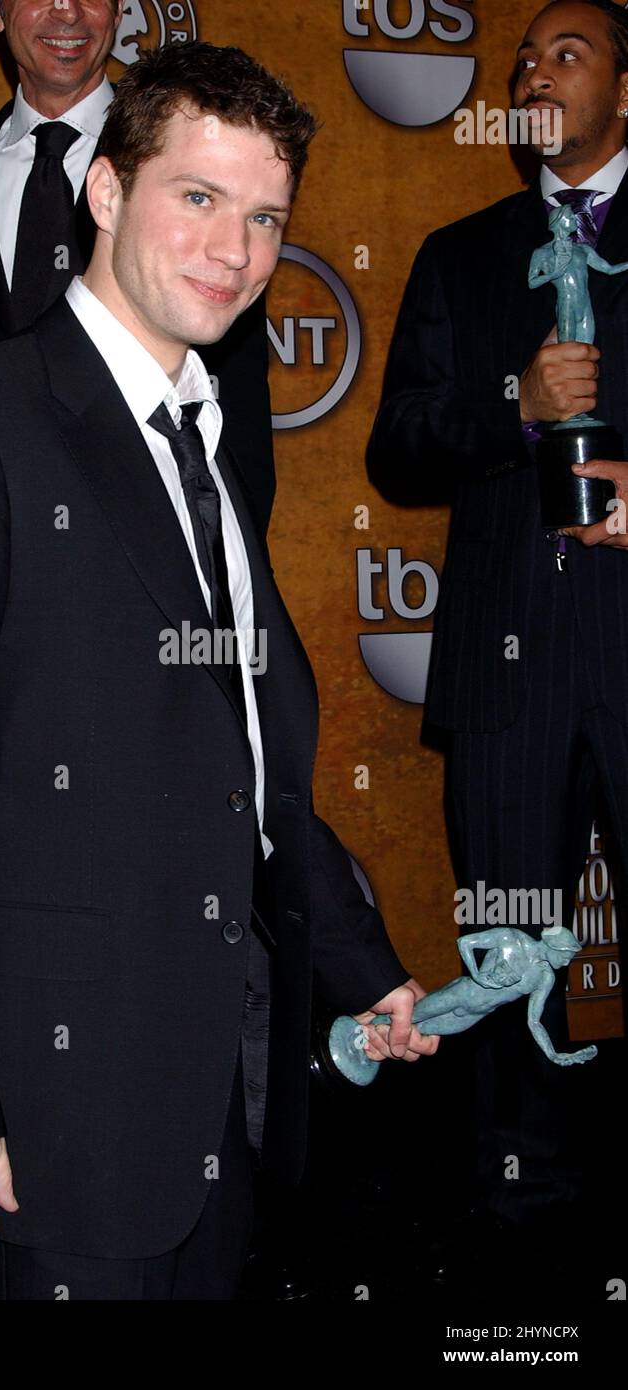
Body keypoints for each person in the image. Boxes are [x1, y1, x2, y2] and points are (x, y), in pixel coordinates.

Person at [0, 43, 437, 1302]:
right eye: (198, 198)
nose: (236, 249)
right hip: (44, 1120)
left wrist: (360, 963)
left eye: (265, 216)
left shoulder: (207, 445)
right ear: (104, 194)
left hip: (220, 1107)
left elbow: (243, 768)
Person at [368, 0, 628, 1252]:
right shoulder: (457, 255)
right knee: (517, 934)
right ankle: (521, 1185)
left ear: (625, 93)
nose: (530, 69)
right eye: (521, 56)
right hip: (509, 670)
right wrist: (509, 404)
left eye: (563, 53)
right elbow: (399, 445)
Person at [0, 0, 277, 533]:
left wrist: (223, 559)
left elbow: (234, 395)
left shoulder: (192, 150)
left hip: (155, 531)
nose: (68, 13)